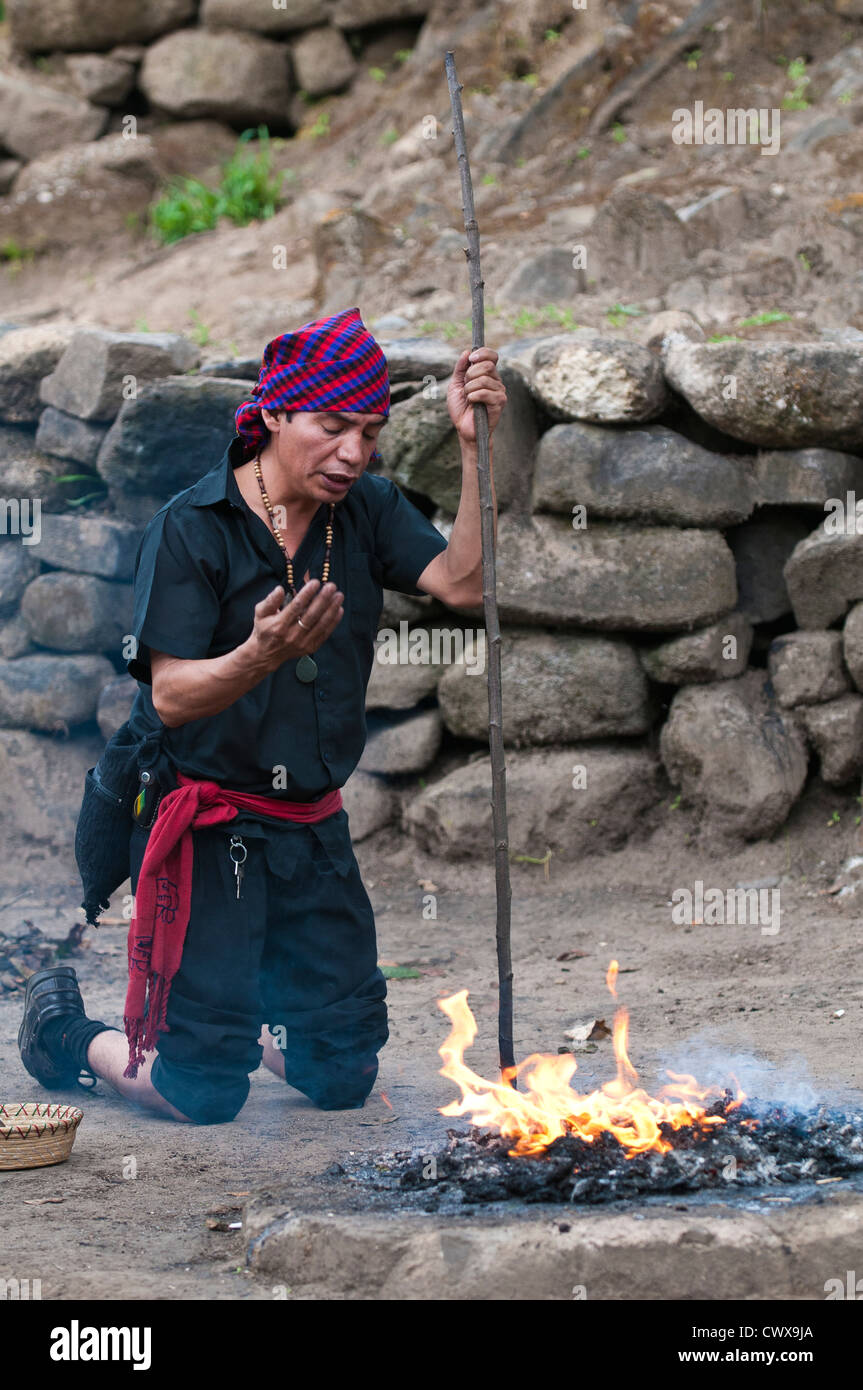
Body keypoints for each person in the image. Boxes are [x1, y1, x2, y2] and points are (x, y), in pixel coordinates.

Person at [18, 306, 507, 1124]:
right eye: (332, 425)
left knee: (342, 1076)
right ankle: (66, 1033)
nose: (353, 453)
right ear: (275, 411)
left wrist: (471, 447)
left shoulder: (366, 510)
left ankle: (242, 1030)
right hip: (209, 830)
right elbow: (170, 695)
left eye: (371, 432)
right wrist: (257, 658)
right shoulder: (192, 528)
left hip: (310, 825)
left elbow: (464, 583)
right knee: (201, 1095)